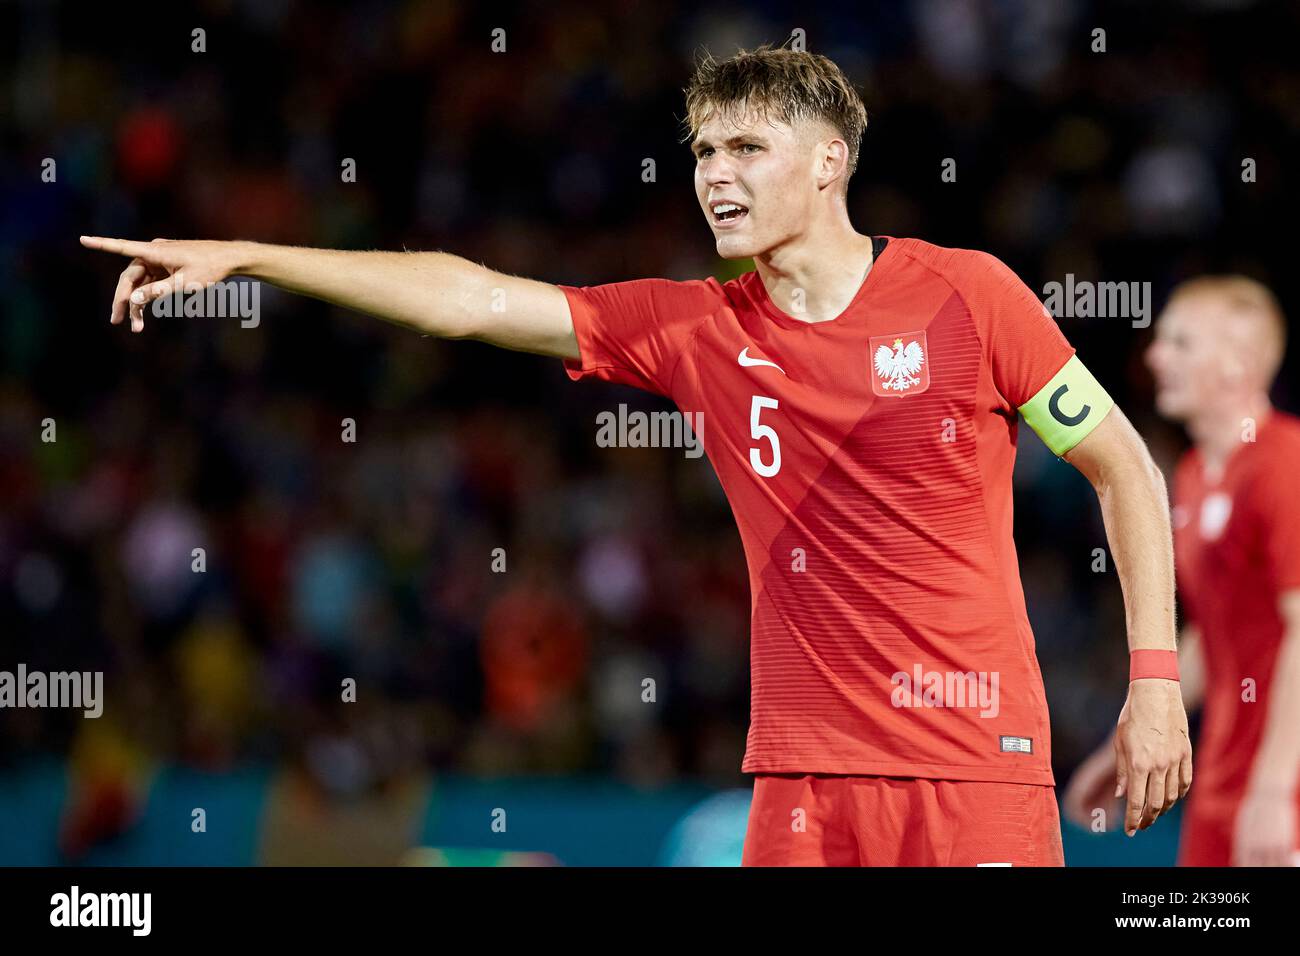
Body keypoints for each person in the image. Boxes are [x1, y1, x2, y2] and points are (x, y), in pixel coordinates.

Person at [81, 43, 1190, 866]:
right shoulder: (698, 325)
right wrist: (252, 256)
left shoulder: (972, 296)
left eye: (748, 147)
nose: (716, 172)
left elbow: (1124, 468)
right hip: (800, 779)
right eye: (704, 150)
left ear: (828, 162)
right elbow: (471, 300)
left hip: (971, 763)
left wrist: (1152, 686)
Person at [1065, 276, 1299, 866]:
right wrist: (1120, 749)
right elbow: (1214, 635)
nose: (1155, 356)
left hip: (1280, 787)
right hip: (1222, 782)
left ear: (1236, 364)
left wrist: (1275, 789)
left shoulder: (1286, 464)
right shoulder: (1191, 477)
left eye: (1181, 343)